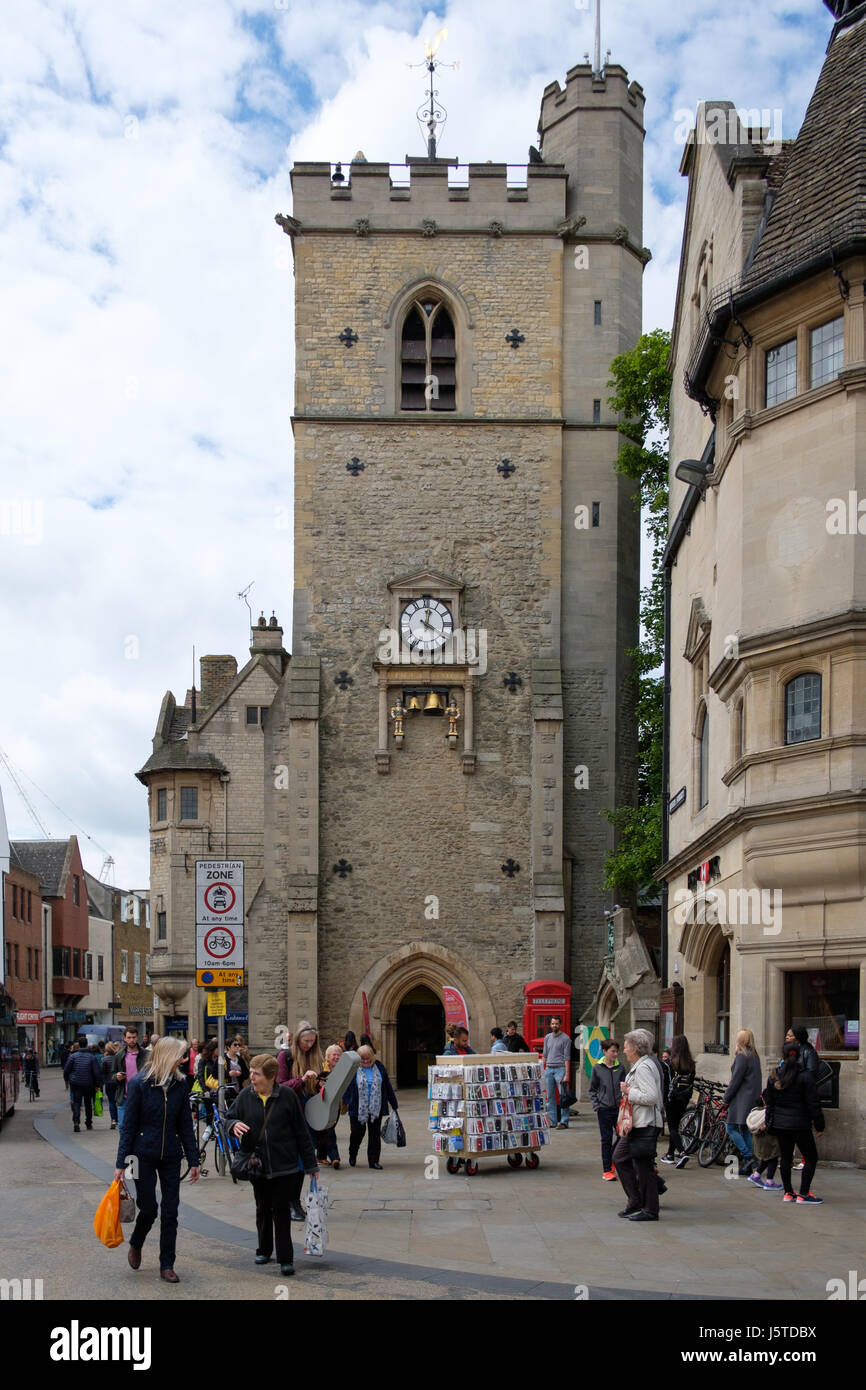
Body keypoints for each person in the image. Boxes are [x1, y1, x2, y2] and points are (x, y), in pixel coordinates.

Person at [114, 1038, 200, 1281]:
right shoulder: (139, 1084)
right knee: (149, 1208)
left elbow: (185, 1124)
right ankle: (137, 1242)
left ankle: (167, 1265)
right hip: (141, 1155)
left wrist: (193, 1159)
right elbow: (128, 1127)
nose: (183, 1061)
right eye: (180, 1056)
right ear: (167, 1056)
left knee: (170, 1211)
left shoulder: (180, 1085)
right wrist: (121, 1164)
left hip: (171, 1155)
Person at [227, 1054, 319, 1276]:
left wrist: (311, 1166)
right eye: (251, 1072)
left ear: (270, 1077)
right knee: (262, 1208)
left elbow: (301, 1132)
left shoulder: (287, 1096)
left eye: (256, 1074)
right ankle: (264, 1250)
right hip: (257, 1164)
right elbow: (229, 1118)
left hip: (284, 1165)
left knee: (281, 1211)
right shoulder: (245, 1096)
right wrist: (233, 1125)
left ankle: (286, 1259)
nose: (252, 1077)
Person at [612, 1028, 664, 1222]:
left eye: (626, 1047)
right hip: (635, 1124)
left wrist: (629, 1091)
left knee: (644, 1167)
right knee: (619, 1157)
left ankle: (650, 1209)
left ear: (635, 1048)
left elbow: (651, 1097)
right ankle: (635, 1200)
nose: (624, 1050)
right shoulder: (642, 1065)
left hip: (644, 1124)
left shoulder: (644, 1068)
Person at [765, 1041, 825, 1203]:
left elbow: (769, 1102)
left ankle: (788, 1192)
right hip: (800, 1124)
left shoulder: (775, 1075)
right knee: (811, 1158)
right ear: (799, 1056)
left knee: (785, 1158)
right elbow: (814, 1103)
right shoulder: (805, 1076)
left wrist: (768, 1122)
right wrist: (819, 1125)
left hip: (781, 1124)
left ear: (783, 1056)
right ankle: (803, 1193)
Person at [343, 1043, 398, 1169]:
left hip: (375, 1107)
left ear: (372, 1057)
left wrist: (394, 1103)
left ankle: (374, 1161)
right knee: (357, 1133)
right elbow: (345, 1086)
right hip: (358, 1107)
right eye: (362, 1059)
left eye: (368, 1058)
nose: (366, 1061)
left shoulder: (379, 1067)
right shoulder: (353, 1068)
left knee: (374, 1135)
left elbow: (387, 1086)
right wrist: (347, 1100)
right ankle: (353, 1153)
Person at [723, 1028, 762, 1175]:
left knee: (731, 1128)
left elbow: (735, 1081)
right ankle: (748, 1163)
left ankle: (748, 1156)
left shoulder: (742, 1056)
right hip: (752, 1098)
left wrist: (726, 1098)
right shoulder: (754, 1056)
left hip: (741, 1099)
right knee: (745, 1129)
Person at [589, 1037, 627, 1179]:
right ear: (604, 1051)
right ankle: (607, 1170)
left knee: (622, 1137)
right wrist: (596, 1105)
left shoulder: (621, 1068)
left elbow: (625, 1086)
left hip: (618, 1108)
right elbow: (592, 1089)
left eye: (617, 1051)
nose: (615, 1054)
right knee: (606, 1139)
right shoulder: (597, 1068)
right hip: (603, 1109)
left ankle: (612, 1158)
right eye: (612, 1051)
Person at [661, 1035, 696, 1163]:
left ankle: (682, 1152)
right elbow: (691, 1082)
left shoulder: (670, 1063)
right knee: (676, 1125)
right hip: (684, 1098)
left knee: (672, 1127)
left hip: (672, 1098)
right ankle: (670, 1154)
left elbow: (665, 1082)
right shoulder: (691, 1064)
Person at [748, 1076, 782, 1191]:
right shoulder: (772, 1106)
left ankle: (756, 1175)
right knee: (773, 1157)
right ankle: (769, 1181)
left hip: (760, 1139)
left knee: (766, 1158)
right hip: (770, 1137)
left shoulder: (757, 1110)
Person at [315, 1044, 345, 1169]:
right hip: (324, 1104)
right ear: (328, 1057)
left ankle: (321, 1156)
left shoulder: (343, 1070)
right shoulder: (322, 1069)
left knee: (326, 1130)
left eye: (339, 1055)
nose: (336, 1057)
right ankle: (335, 1157)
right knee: (329, 1130)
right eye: (334, 1055)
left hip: (337, 1104)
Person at [64, 1038, 102, 1131]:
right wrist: (98, 1084)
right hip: (89, 1084)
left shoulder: (73, 1056)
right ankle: (88, 1123)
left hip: (76, 1083)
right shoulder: (91, 1057)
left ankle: (76, 1122)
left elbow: (66, 1070)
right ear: (86, 1044)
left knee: (77, 1103)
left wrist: (67, 1080)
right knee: (88, 1103)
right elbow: (96, 1072)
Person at [542, 1016, 571, 1129]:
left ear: (560, 1024)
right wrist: (541, 1069)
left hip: (560, 1069)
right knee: (550, 1097)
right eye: (553, 1023)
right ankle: (553, 1121)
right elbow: (545, 1055)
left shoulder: (566, 1039)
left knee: (563, 1097)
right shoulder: (547, 1037)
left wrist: (567, 1074)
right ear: (550, 1025)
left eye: (557, 1024)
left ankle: (564, 1121)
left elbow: (567, 1058)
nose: (554, 1025)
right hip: (548, 1069)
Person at [114, 1027, 146, 1128]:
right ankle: (125, 1144)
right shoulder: (119, 1055)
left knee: (141, 1126)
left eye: (134, 1037)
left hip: (141, 1097)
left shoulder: (146, 1055)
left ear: (137, 1038)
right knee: (122, 1126)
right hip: (124, 1097)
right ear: (124, 1038)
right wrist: (116, 1076)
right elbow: (111, 1074)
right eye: (129, 1037)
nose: (131, 1040)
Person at [102, 1041, 120, 1128]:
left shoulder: (104, 1059)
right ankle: (119, 1119)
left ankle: (113, 1120)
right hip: (117, 1081)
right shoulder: (118, 1057)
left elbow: (103, 1072)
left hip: (109, 1082)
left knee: (111, 1102)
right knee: (119, 1101)